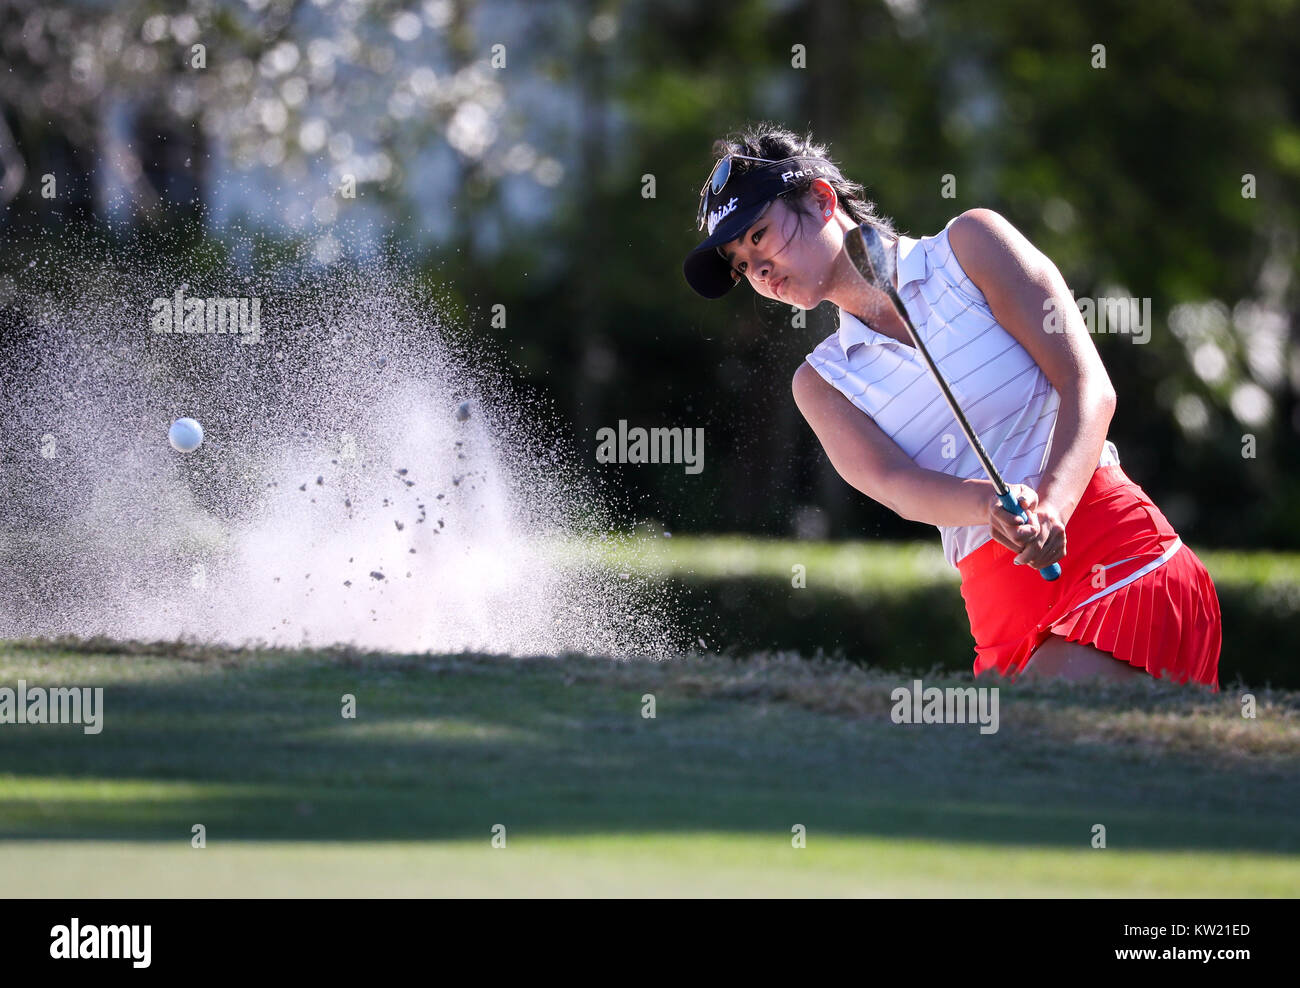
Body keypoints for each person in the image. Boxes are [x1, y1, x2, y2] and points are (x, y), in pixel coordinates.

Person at [682, 123, 1221, 688]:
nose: (757, 271)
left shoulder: (972, 246)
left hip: (1120, 567)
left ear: (821, 200)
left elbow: (1087, 387)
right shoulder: (821, 383)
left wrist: (1052, 507)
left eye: (760, 236)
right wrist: (993, 505)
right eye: (741, 264)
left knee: (1032, 742)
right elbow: (899, 486)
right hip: (1003, 617)